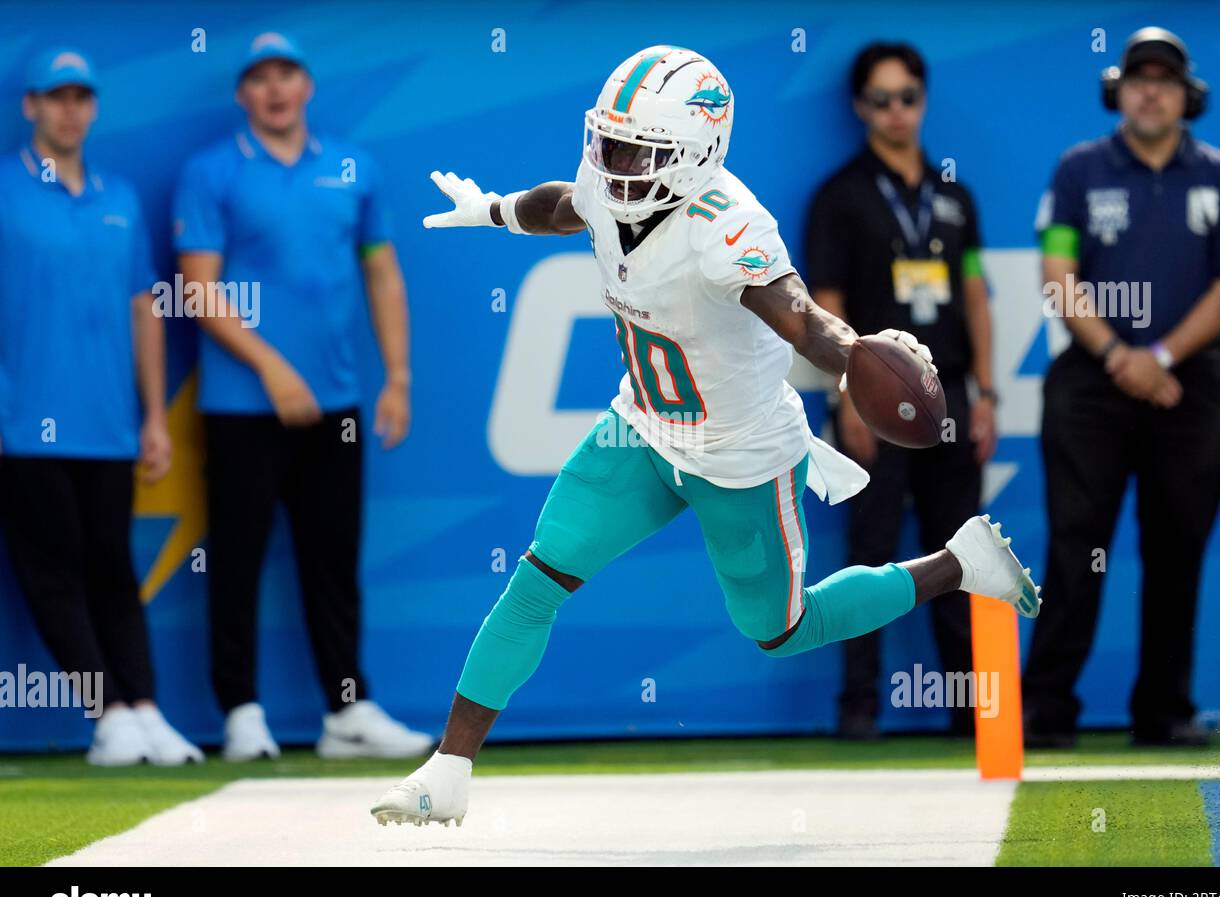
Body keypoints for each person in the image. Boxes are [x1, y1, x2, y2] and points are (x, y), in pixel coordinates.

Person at [372, 46, 1040, 827]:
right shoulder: (606, 182)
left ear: (698, 155)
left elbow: (802, 320)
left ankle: (958, 564)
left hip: (741, 455)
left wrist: (861, 356)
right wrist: (493, 209)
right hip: (642, 432)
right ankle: (448, 771)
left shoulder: (727, 228)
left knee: (781, 631)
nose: (615, 166)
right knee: (537, 579)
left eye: (638, 152)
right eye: (610, 144)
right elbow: (565, 203)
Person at [172, 32, 430, 760]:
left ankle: (346, 711)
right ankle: (241, 713)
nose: (275, 89)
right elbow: (198, 289)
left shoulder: (353, 168)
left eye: (287, 74)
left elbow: (382, 274)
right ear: (241, 95)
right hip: (240, 408)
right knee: (238, 558)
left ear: (307, 86)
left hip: (338, 406)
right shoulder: (211, 171)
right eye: (259, 78)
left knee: (332, 560)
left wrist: (398, 378)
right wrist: (272, 368)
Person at [1024, 27, 1220, 748]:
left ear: (1187, 96)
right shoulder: (1078, 170)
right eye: (1138, 78)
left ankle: (1164, 712)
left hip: (1192, 383)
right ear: (1118, 92)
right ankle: (1047, 710)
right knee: (1076, 544)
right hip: (1094, 379)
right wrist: (1121, 356)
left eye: (1164, 79)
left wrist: (1158, 354)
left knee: (1177, 545)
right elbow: (1057, 278)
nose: (1150, 90)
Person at [0, 48, 200, 765]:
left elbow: (144, 310)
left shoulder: (118, 198)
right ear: (30, 107)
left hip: (111, 427)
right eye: (55, 97)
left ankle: (145, 709)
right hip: (23, 428)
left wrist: (153, 417)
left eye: (81, 96)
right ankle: (107, 714)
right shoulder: (5, 192)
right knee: (53, 575)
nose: (69, 109)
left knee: (114, 570)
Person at [806, 42, 997, 738]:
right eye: (880, 99)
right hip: (876, 410)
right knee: (872, 553)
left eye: (907, 97)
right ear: (860, 107)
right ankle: (858, 709)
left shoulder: (954, 196)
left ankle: (972, 711)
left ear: (923, 100)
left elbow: (975, 296)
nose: (896, 111)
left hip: (949, 402)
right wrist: (845, 397)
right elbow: (822, 309)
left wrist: (988, 394)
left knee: (961, 553)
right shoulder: (840, 196)